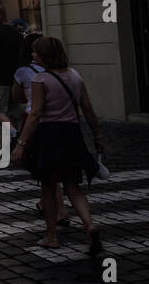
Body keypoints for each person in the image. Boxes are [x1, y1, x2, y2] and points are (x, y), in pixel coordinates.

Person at [11, 36, 102, 253]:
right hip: (71, 134)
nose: (33, 55)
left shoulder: (41, 80)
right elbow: (87, 108)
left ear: (44, 56)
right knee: (73, 185)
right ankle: (89, 225)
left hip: (49, 136)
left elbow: (35, 114)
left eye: (36, 52)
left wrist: (21, 143)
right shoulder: (75, 75)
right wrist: (98, 136)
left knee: (48, 188)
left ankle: (51, 236)